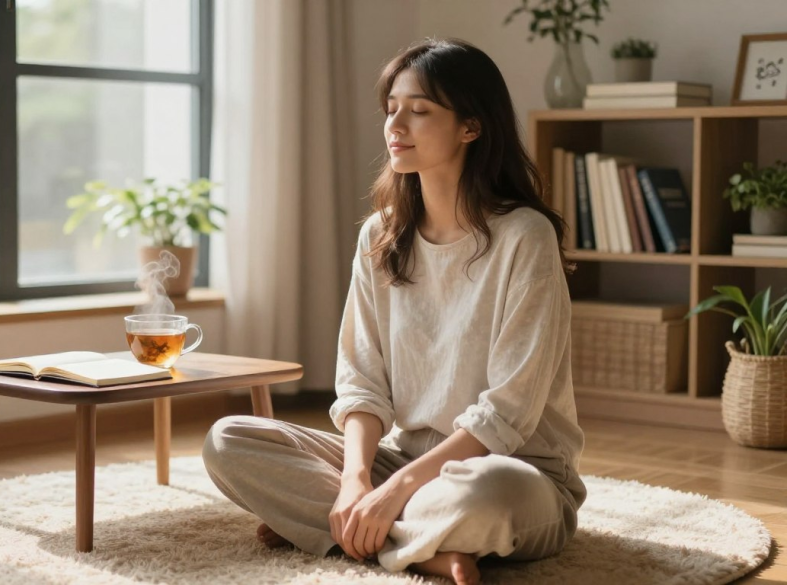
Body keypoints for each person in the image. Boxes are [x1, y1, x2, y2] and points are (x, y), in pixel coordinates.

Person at [201, 38, 586, 585]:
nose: (395, 125)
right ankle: (419, 550)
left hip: (515, 473)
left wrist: (395, 492)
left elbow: (508, 414)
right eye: (391, 109)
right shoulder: (381, 234)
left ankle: (341, 530)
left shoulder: (525, 236)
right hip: (399, 460)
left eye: (420, 110)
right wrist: (359, 479)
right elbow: (361, 381)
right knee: (228, 440)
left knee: (485, 494)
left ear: (471, 127)